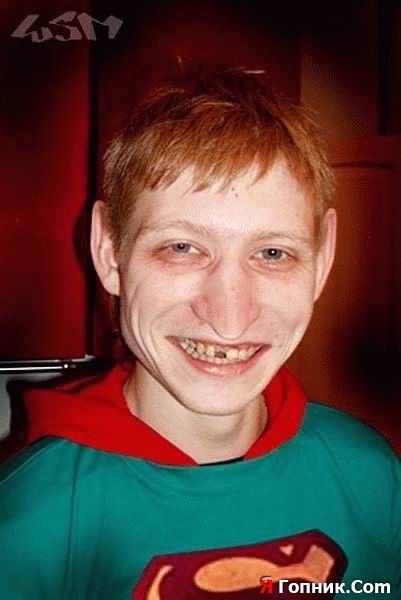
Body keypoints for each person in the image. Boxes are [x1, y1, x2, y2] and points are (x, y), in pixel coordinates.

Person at [0, 66, 400, 600]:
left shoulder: (373, 475)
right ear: (110, 252)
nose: (230, 317)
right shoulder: (30, 521)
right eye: (182, 248)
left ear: (322, 259)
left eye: (272, 253)